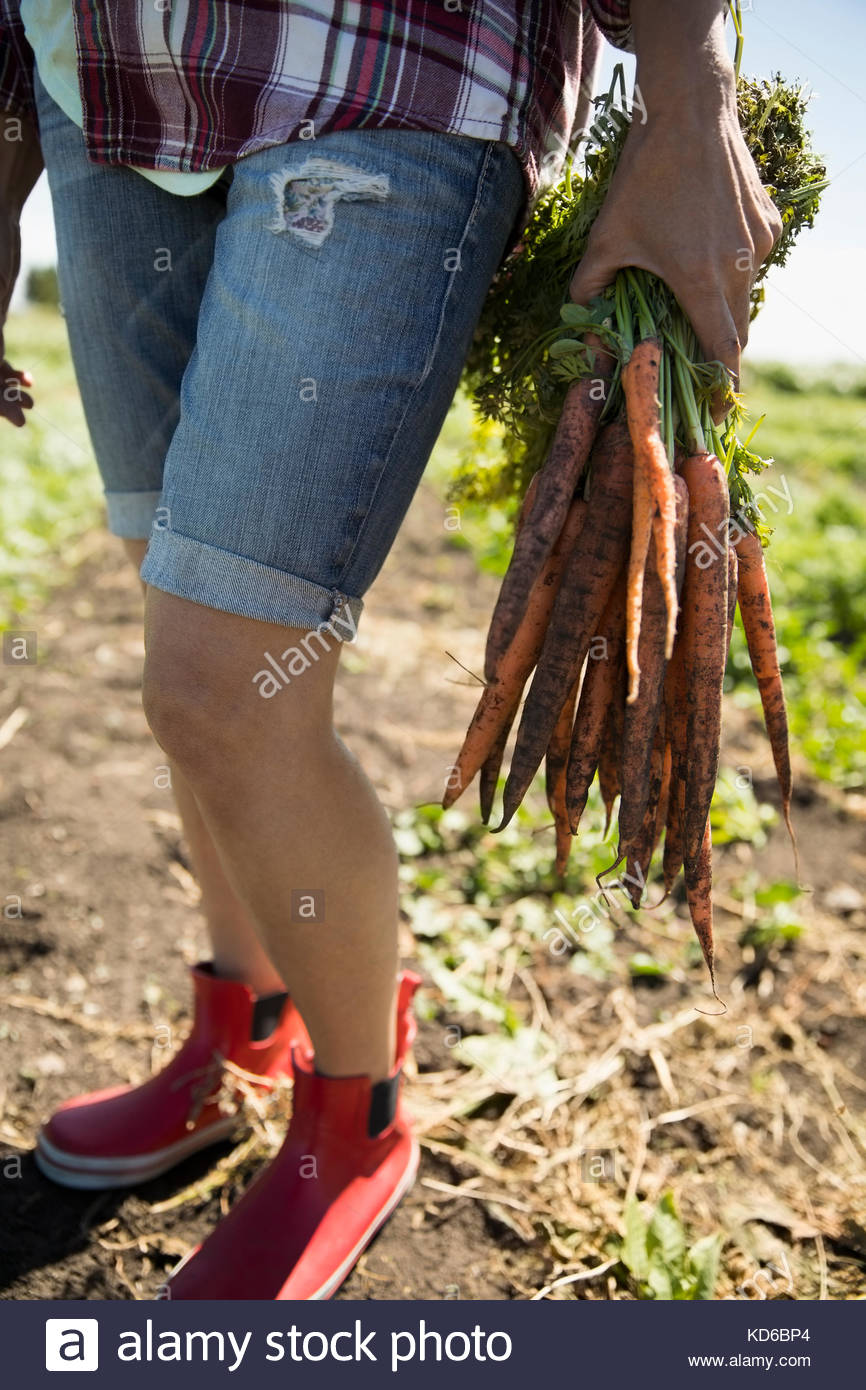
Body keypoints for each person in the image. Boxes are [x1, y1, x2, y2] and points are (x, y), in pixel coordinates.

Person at [0, 0, 780, 1301]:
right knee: (176, 613)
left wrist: (687, 77)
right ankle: (242, 1024)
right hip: (110, 91)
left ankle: (354, 1114)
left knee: (223, 682)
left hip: (391, 66)